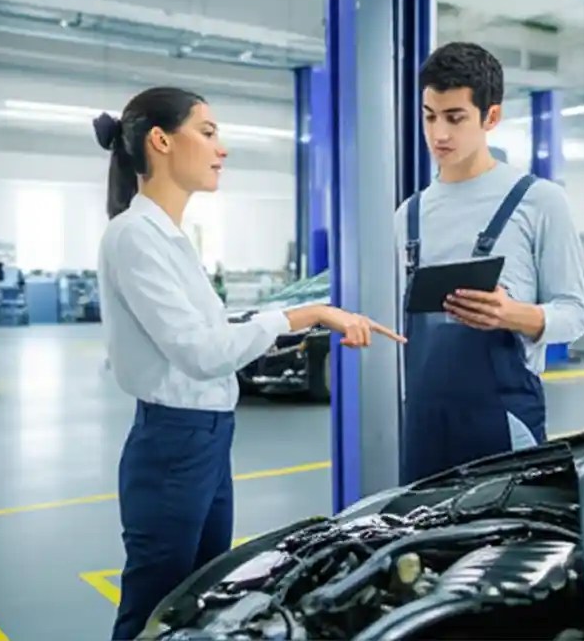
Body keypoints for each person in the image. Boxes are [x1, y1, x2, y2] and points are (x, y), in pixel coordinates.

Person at [93, 86, 405, 640]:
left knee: (201, 602)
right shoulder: (134, 237)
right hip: (173, 446)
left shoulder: (169, 239)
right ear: (161, 141)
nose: (222, 148)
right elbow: (202, 353)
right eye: (208, 132)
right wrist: (305, 315)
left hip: (208, 439)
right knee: (153, 610)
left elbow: (212, 334)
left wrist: (296, 315)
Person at [395, 42, 584, 484]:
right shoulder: (407, 216)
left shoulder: (539, 201)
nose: (439, 134)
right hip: (422, 426)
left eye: (455, 118)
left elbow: (576, 314)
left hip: (503, 424)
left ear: (491, 118)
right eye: (430, 116)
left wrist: (514, 315)